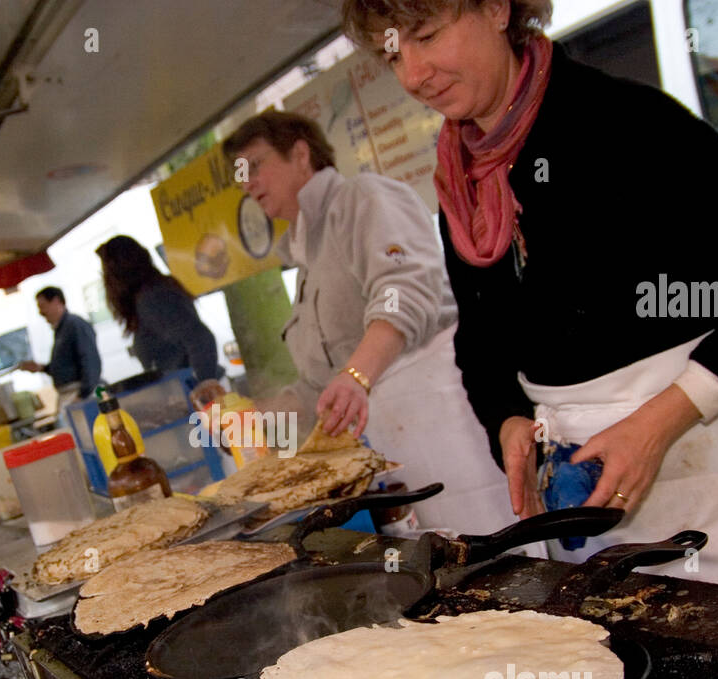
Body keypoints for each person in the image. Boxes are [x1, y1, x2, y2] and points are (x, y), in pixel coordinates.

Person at [343, 0, 718, 593]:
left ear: (497, 9)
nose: (413, 74)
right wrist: (508, 421)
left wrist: (656, 424)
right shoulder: (466, 186)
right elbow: (482, 340)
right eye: (394, 54)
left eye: (425, 36)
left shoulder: (628, 123)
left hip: (702, 475)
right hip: (576, 499)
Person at [221, 111, 515, 532]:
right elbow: (320, 388)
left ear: (300, 153)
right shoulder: (305, 256)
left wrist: (357, 376)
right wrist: (252, 415)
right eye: (239, 176)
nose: (247, 182)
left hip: (437, 418)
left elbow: (405, 288)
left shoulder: (362, 198)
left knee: (491, 546)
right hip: (389, 448)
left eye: (255, 165)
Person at [96, 235, 224, 389]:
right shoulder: (154, 293)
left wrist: (205, 385)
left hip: (197, 394)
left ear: (116, 275)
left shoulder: (153, 298)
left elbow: (200, 339)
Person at [16, 286, 103, 399]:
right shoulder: (61, 330)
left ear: (56, 301)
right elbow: (66, 365)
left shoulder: (75, 324)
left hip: (80, 393)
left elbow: (90, 361)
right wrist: (42, 368)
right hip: (69, 393)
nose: (41, 312)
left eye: (43, 306)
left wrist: (83, 395)